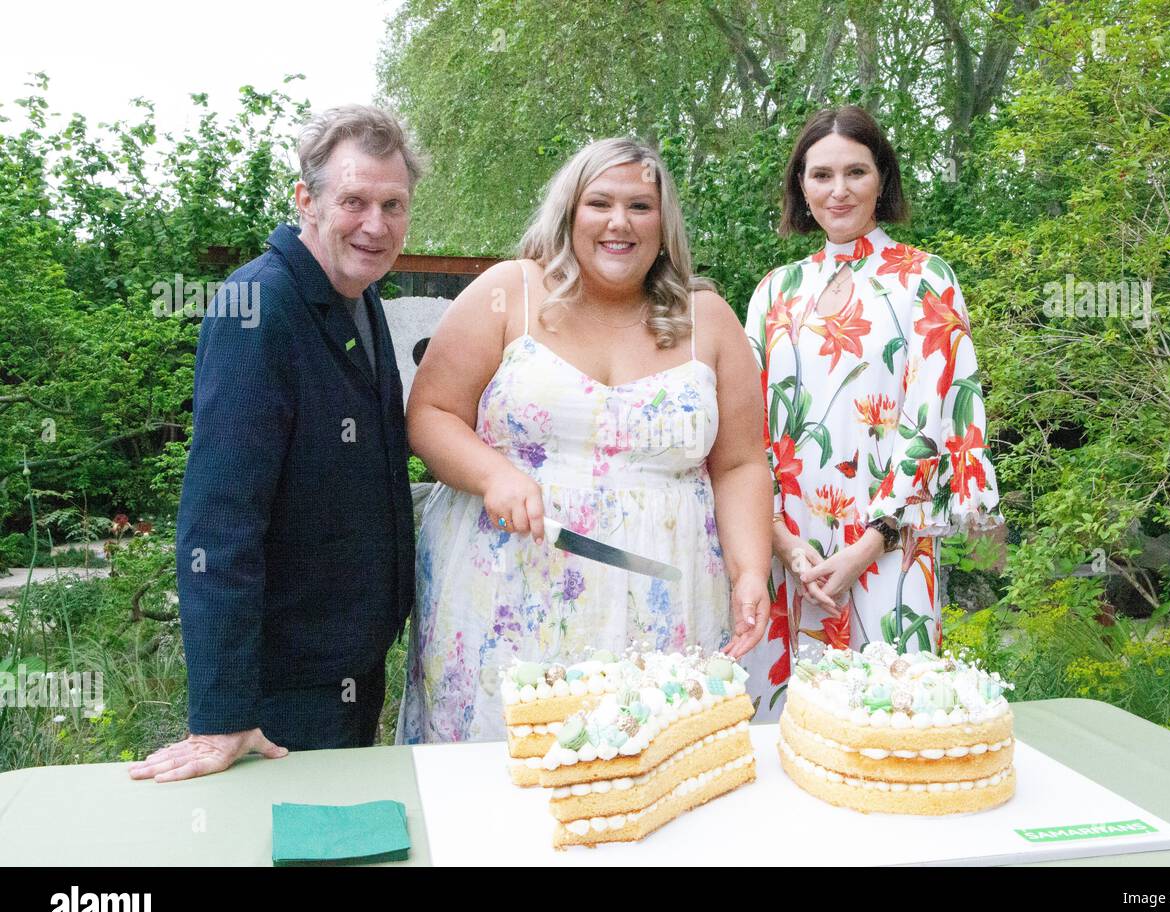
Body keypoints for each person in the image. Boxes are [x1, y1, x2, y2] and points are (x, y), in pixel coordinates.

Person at [397, 137, 770, 743]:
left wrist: (750, 567)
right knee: (503, 771)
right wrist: (493, 474)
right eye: (600, 203)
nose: (619, 222)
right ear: (570, 212)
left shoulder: (710, 319)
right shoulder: (507, 292)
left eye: (640, 206)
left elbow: (740, 465)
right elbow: (432, 414)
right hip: (507, 587)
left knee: (647, 774)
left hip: (666, 596)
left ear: (663, 222)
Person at [129, 105, 424, 782]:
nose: (375, 225)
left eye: (393, 204)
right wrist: (224, 712)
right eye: (354, 201)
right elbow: (219, 522)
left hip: (347, 667)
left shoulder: (358, 294)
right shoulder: (258, 307)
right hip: (280, 697)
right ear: (306, 201)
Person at [744, 106, 1003, 719]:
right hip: (791, 554)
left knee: (892, 724)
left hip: (891, 549)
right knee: (793, 732)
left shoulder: (923, 280)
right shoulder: (774, 292)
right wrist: (782, 542)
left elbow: (935, 422)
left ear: (881, 179)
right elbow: (744, 432)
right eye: (821, 175)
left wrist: (869, 544)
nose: (838, 191)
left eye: (855, 172)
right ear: (800, 188)